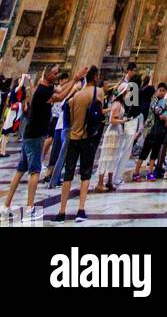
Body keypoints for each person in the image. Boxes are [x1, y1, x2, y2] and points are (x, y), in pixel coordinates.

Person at [2, 63, 76, 219]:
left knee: (20, 170)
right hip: (35, 136)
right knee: (34, 171)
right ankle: (30, 208)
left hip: (30, 134)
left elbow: (60, 90)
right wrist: (76, 79)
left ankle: (6, 205)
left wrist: (73, 81)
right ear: (47, 74)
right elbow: (61, 96)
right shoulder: (43, 91)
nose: (57, 76)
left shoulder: (44, 89)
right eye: (55, 73)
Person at [52, 66, 104, 224]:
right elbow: (99, 115)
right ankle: (81, 209)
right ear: (95, 77)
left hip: (73, 136)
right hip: (87, 137)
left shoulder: (75, 97)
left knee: (68, 174)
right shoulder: (97, 92)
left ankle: (61, 211)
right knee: (85, 174)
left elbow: (65, 111)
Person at [131, 83, 167, 181]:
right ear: (157, 91)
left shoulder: (165, 102)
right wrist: (164, 113)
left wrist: (165, 115)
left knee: (154, 154)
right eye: (160, 90)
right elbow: (158, 111)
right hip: (151, 130)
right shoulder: (153, 101)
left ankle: (150, 173)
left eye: (163, 91)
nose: (161, 92)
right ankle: (136, 173)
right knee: (144, 153)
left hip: (160, 131)